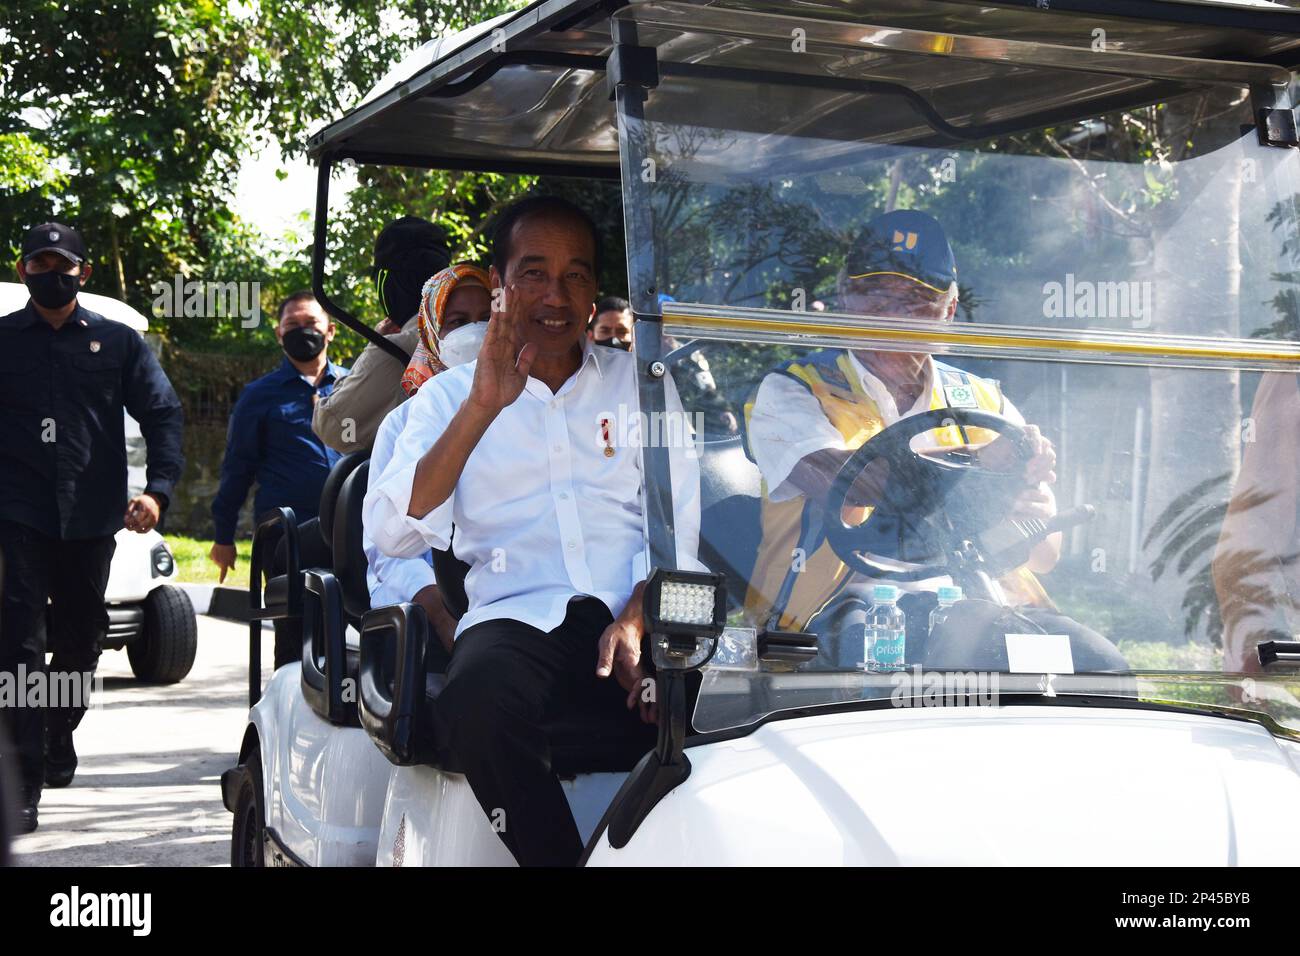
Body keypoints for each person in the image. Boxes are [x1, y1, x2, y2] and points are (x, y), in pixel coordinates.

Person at [364, 196, 702, 866]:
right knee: (475, 702)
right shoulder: (446, 398)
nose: (556, 294)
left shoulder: (644, 390)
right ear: (501, 285)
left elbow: (678, 532)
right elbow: (392, 531)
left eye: (576, 275)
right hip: (516, 616)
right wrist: (483, 407)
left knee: (733, 704)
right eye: (535, 273)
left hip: (638, 611)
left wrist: (638, 619)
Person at [743, 210, 1121, 670]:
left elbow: (1044, 553)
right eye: (876, 297)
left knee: (1100, 664)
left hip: (973, 605)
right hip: (826, 621)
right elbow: (850, 481)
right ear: (845, 294)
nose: (895, 318)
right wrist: (985, 470)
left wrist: (1022, 500)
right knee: (942, 661)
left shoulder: (983, 400)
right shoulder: (794, 390)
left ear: (949, 309)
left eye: (918, 301)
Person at [0, 222, 184, 832]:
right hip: (18, 517)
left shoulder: (119, 342)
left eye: (63, 265)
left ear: (84, 272)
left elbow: (162, 413)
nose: (51, 275)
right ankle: (22, 785)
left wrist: (158, 492)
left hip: (89, 519)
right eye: (38, 264)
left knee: (80, 644)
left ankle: (58, 728)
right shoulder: (3, 341)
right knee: (19, 649)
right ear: (22, 269)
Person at [208, 291, 348, 665]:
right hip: (288, 538)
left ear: (330, 331)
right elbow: (237, 467)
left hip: (351, 531)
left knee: (352, 631)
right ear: (278, 333)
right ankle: (289, 716)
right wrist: (223, 537)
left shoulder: (354, 388)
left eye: (311, 325)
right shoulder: (260, 396)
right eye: (293, 326)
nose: (303, 332)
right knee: (295, 634)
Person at [367, 263, 493, 651]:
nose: (475, 331)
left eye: (486, 318)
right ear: (432, 329)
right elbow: (386, 551)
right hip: (420, 607)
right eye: (458, 321)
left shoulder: (531, 405)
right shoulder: (401, 424)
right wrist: (441, 610)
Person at [313, 217, 451, 453]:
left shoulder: (397, 350)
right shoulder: (492, 333)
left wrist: (373, 347)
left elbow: (335, 429)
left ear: (388, 284)